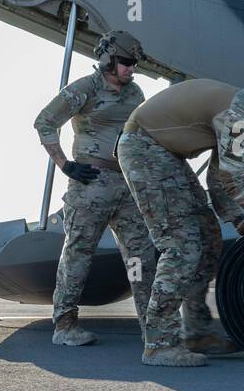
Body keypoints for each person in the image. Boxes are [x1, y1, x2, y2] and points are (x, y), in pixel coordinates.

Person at [117, 64, 244, 367]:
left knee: (208, 238)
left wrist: (239, 221)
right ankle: (159, 343)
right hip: (144, 148)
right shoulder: (234, 119)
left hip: (165, 154)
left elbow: (219, 179)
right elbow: (235, 183)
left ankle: (196, 332)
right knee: (181, 245)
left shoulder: (238, 113)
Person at [33, 30, 157, 346]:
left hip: (127, 186)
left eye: (135, 64)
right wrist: (65, 164)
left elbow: (142, 135)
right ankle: (64, 326)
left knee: (141, 257)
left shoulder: (135, 94)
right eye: (127, 62)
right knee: (79, 252)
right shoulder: (85, 88)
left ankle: (154, 328)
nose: (132, 69)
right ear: (108, 60)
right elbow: (45, 121)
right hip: (90, 185)